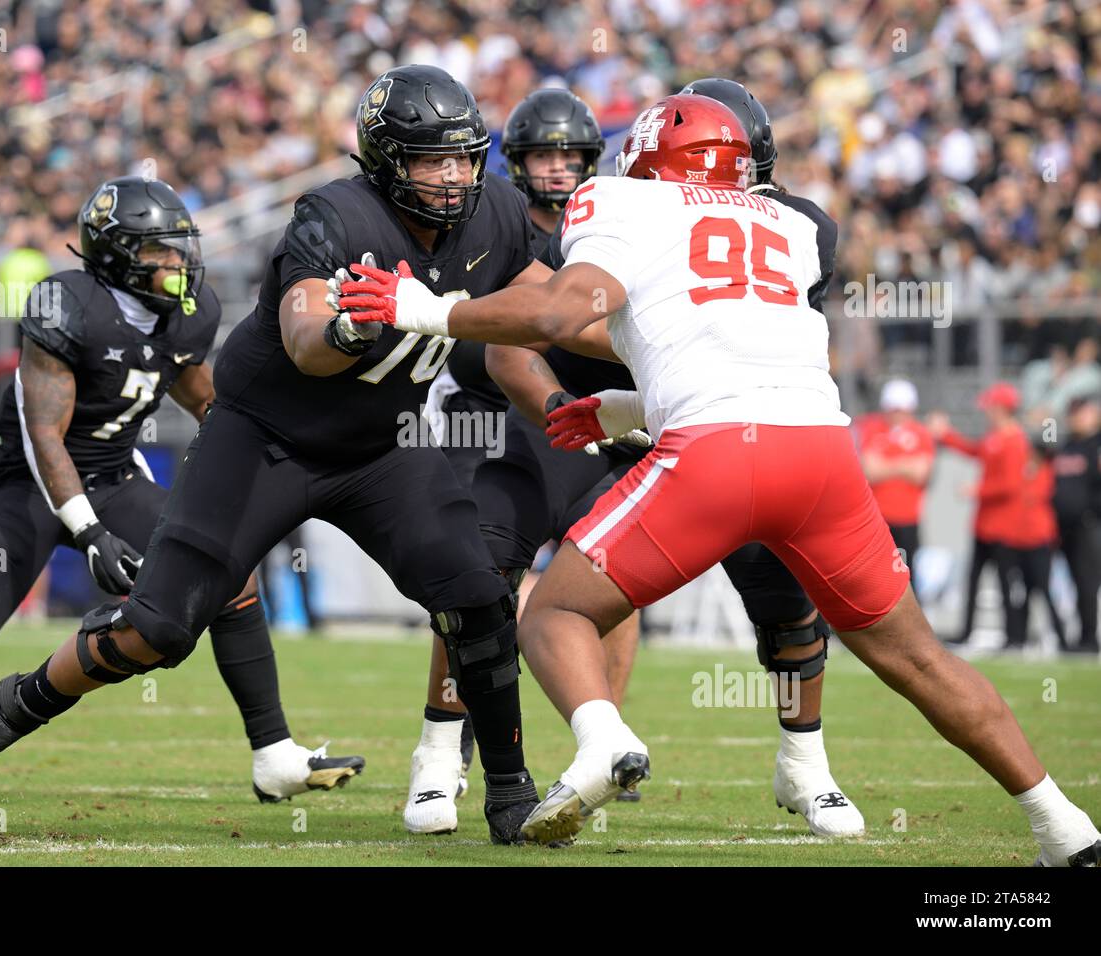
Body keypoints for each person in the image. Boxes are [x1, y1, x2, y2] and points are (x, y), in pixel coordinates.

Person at [336, 93, 1101, 864]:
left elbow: (563, 314)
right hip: (822, 455)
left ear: (650, 158)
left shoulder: (622, 200)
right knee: (919, 658)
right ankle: (1062, 824)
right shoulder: (790, 225)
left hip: (717, 455)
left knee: (551, 617)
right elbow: (737, 345)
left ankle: (602, 741)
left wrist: (427, 309)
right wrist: (626, 408)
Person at [0, 66, 589, 844]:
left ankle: (509, 789)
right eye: (429, 161)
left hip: (382, 445)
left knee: (476, 595)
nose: (451, 178)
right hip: (264, 438)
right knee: (159, 631)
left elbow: (547, 305)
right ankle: (20, 701)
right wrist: (348, 328)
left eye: (463, 158)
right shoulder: (334, 215)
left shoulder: (498, 213)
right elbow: (305, 337)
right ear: (384, 161)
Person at [0, 177, 361, 807]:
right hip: (31, 488)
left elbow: (209, 402)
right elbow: (42, 435)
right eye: (160, 251)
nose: (179, 263)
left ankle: (273, 754)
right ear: (115, 254)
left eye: (180, 248)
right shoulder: (66, 302)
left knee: (233, 578)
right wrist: (87, 530)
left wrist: (269, 460)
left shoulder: (189, 314)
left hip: (115, 477)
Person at [455, 79, 864, 838]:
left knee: (783, 592)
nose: (556, 170)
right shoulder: (614, 205)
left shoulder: (796, 226)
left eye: (566, 155)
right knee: (489, 567)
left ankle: (804, 763)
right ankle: (451, 751)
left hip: (710, 418)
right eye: (541, 156)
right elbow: (543, 328)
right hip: (592, 416)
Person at [928, 383, 1027, 645]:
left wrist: (977, 490)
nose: (987, 413)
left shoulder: (1014, 440)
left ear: (1002, 409)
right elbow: (973, 450)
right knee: (973, 580)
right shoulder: (994, 437)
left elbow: (1011, 485)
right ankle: (967, 631)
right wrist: (946, 435)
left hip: (1004, 527)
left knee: (1007, 582)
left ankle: (1015, 636)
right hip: (985, 524)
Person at [857, 378, 934, 565]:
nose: (898, 415)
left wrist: (887, 465)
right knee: (875, 575)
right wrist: (905, 465)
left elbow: (920, 474)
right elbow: (870, 471)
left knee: (905, 574)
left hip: (907, 519)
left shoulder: (921, 433)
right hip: (876, 519)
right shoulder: (872, 427)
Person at [1051, 394, 1101, 654]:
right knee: (1072, 583)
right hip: (1065, 527)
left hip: (1089, 525)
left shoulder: (1096, 445)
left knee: (1088, 582)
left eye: (1082, 412)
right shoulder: (1068, 445)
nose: (1076, 418)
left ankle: (1089, 639)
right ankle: (1077, 637)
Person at [1005, 441, 1065, 650]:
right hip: (1020, 541)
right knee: (1023, 592)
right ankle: (1018, 638)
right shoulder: (1025, 473)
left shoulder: (1046, 474)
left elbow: (1033, 496)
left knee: (1044, 590)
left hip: (1039, 542)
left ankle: (1061, 637)